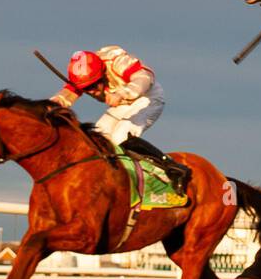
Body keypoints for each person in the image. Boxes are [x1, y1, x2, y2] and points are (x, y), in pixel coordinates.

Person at [51, 46, 189, 192]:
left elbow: (144, 78)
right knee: (98, 138)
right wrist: (50, 106)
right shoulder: (82, 76)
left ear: (102, 73)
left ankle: (174, 169)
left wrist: (122, 93)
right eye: (86, 88)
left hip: (147, 98)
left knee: (120, 136)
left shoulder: (117, 62)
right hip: (123, 104)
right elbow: (67, 94)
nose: (91, 91)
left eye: (93, 85)